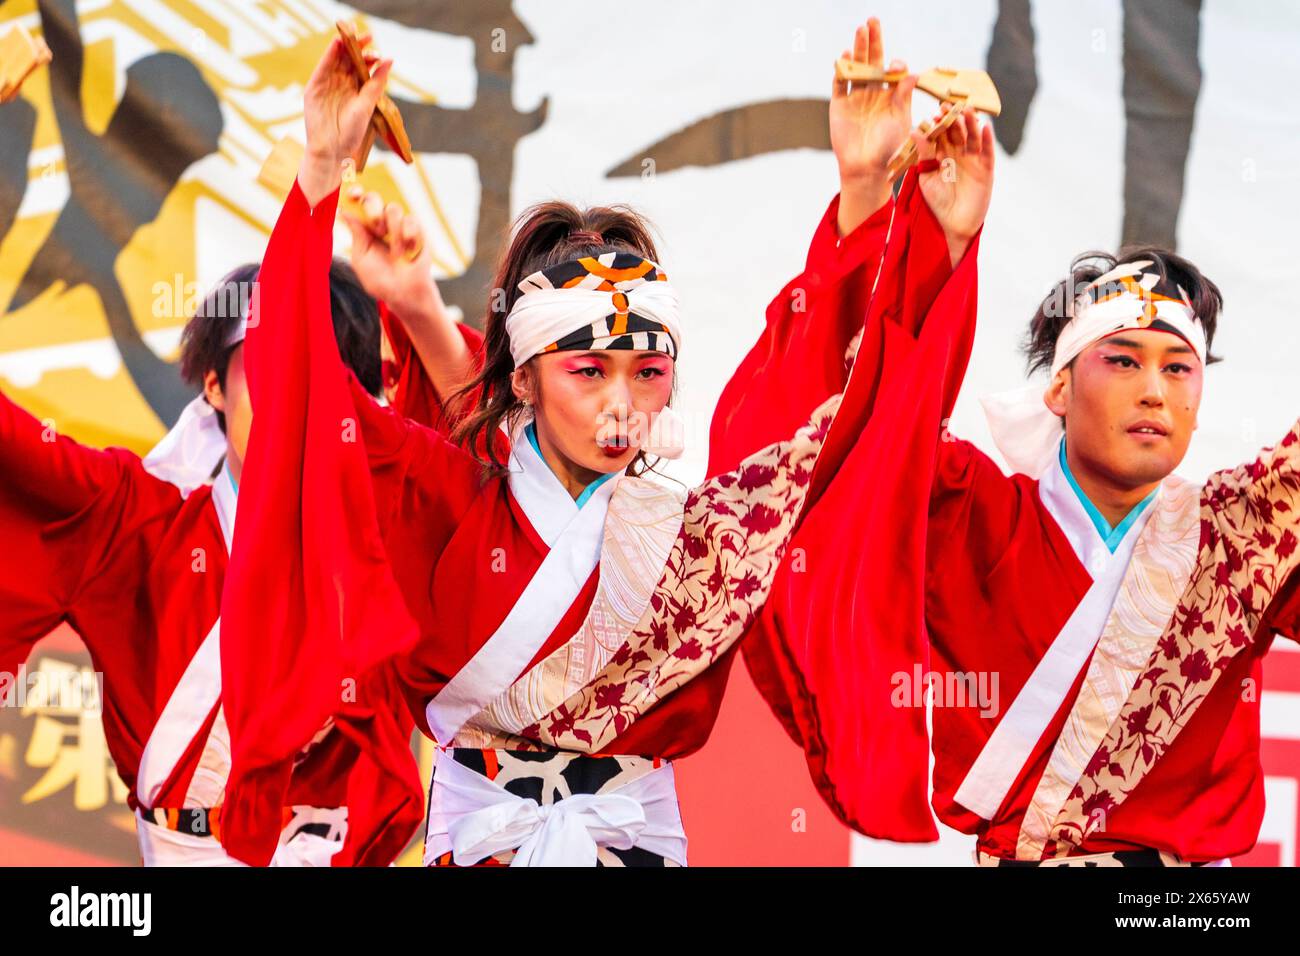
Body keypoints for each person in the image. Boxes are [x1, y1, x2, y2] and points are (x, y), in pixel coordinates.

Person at [217, 18, 994, 866]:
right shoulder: (435, 494)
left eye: (647, 372)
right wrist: (323, 166)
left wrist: (881, 206)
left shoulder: (705, 538)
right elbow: (299, 385)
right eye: (588, 371)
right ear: (522, 377)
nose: (623, 403)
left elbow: (860, 421)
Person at [723, 43, 1300, 868]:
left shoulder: (1244, 536)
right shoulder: (970, 510)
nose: (1155, 390)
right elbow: (835, 439)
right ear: (1059, 390)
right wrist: (877, 207)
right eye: (1123, 360)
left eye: (1179, 368)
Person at [0, 258, 422, 866]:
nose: (288, 401)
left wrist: (420, 312)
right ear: (215, 384)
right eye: (268, 367)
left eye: (316, 379)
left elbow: (488, 475)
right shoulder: (135, 519)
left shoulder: (385, 548)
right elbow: (16, 448)